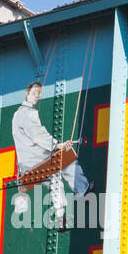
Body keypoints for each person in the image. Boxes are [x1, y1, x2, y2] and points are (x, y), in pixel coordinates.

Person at [11, 81, 93, 228]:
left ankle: (61, 218)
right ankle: (83, 190)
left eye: (38, 94)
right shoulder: (28, 113)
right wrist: (57, 145)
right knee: (66, 157)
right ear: (27, 93)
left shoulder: (17, 115)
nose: (37, 96)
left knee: (54, 179)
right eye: (34, 93)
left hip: (26, 169)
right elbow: (38, 135)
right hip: (36, 163)